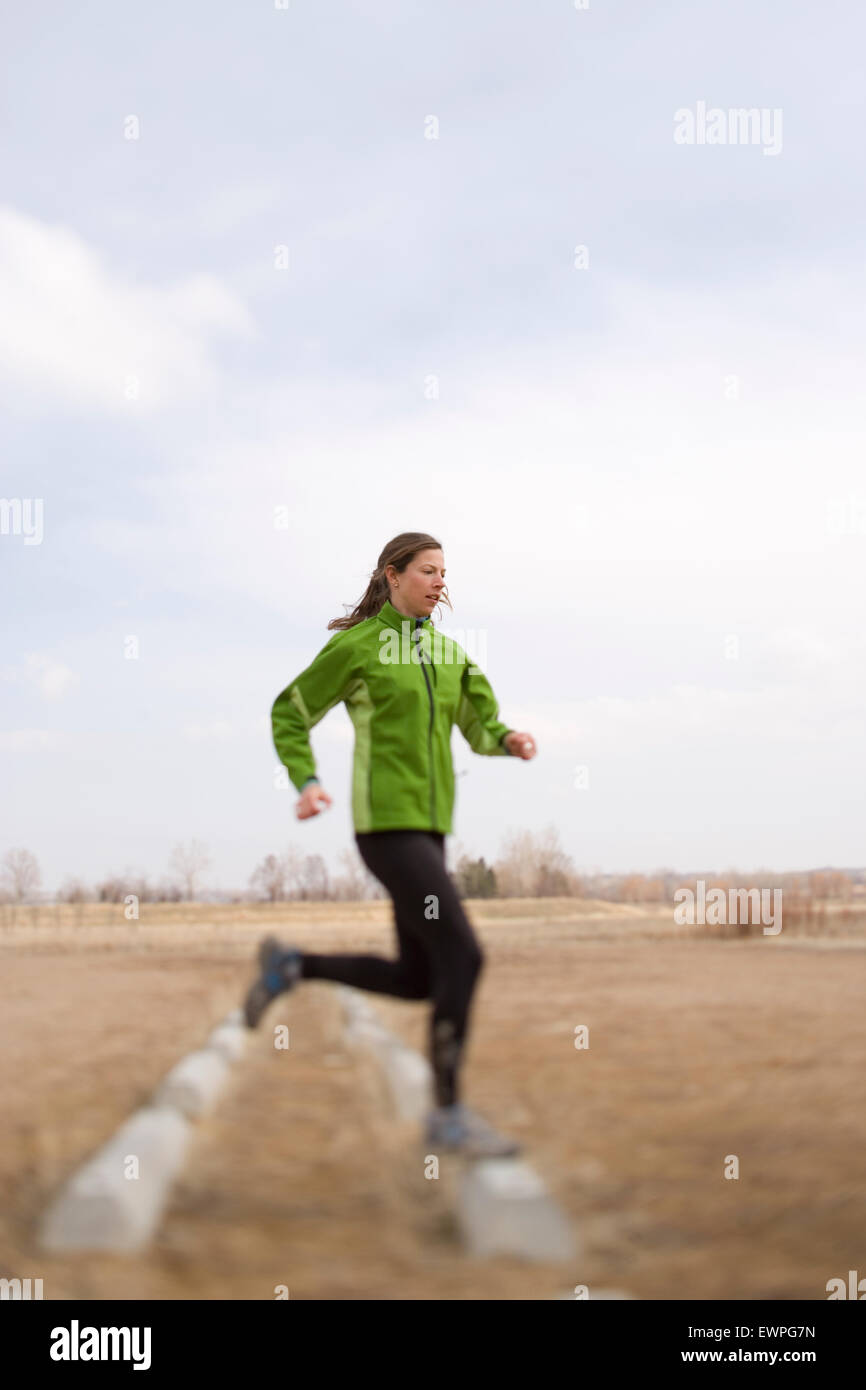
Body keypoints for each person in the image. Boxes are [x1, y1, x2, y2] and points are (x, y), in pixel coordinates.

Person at [243, 531, 537, 1158]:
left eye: (443, 573)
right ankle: (449, 1117)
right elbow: (289, 710)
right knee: (466, 956)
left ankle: (292, 966)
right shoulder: (358, 648)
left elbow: (479, 723)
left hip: (431, 829)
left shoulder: (450, 654)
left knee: (420, 978)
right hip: (387, 827)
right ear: (392, 576)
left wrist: (506, 740)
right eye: (427, 571)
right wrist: (307, 780)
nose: (439, 583)